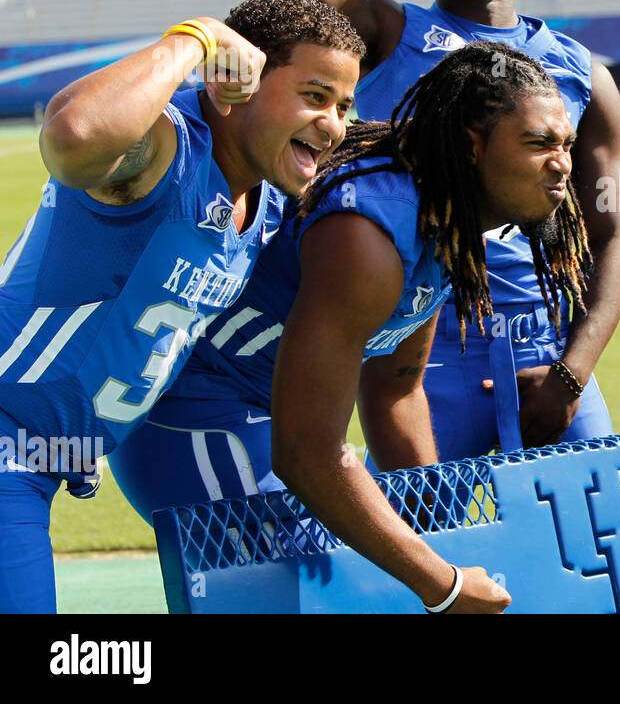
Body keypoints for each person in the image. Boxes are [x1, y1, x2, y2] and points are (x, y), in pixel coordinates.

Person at [112, 42, 587, 613]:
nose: (561, 164)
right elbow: (308, 452)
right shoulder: (368, 236)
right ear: (471, 146)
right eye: (538, 144)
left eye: (565, 144)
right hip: (199, 423)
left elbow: (394, 389)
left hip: (275, 423)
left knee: (375, 579)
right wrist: (445, 586)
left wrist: (439, 540)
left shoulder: (446, 220)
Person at [0, 0, 363, 612]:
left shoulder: (270, 197)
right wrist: (194, 38)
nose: (332, 123)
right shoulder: (169, 149)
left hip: (43, 459)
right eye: (313, 96)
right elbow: (74, 131)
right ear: (237, 84)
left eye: (343, 104)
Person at [253, 0, 620, 459]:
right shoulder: (383, 31)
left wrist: (574, 370)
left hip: (546, 353)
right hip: (420, 352)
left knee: (592, 543)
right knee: (432, 540)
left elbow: (609, 234)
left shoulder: (584, 74)